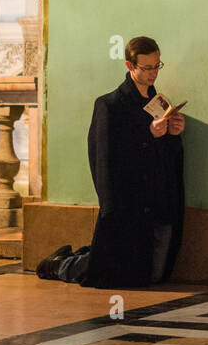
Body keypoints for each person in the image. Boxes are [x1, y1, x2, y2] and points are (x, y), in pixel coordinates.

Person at [39, 36, 186, 287]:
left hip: (157, 199)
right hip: (127, 200)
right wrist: (110, 206)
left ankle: (84, 255)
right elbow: (104, 158)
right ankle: (59, 265)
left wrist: (173, 135)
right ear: (130, 66)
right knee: (111, 273)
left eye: (157, 66)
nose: (153, 74)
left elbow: (166, 156)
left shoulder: (159, 103)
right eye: (147, 67)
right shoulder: (109, 105)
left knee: (155, 274)